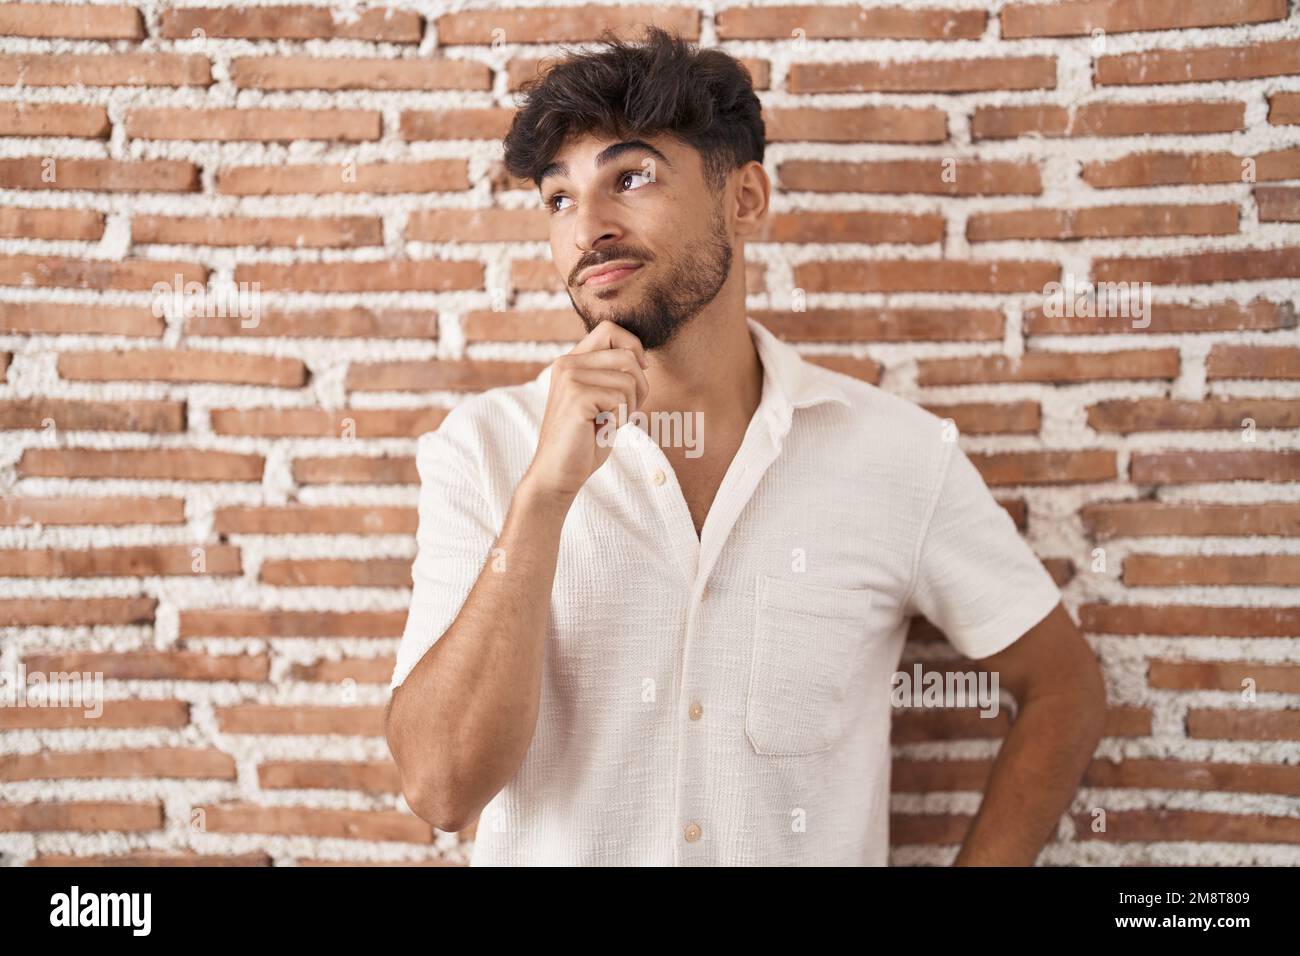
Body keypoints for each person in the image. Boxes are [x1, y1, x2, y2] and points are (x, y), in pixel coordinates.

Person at [384, 26, 1107, 866]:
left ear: (745, 198)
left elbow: (1064, 689)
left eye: (632, 177)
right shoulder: (482, 451)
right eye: (557, 198)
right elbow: (439, 790)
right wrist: (543, 497)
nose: (588, 228)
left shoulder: (896, 455)